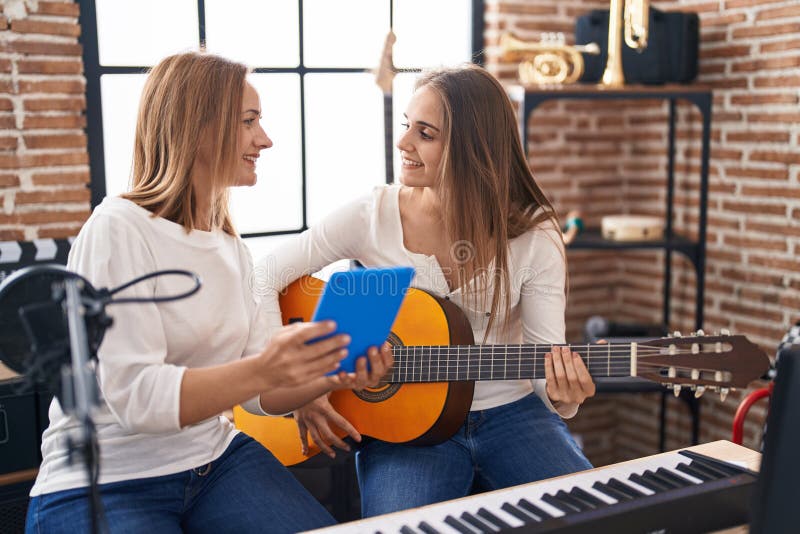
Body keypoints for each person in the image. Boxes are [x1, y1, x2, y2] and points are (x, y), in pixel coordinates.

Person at [25, 50, 392, 533]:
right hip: (109, 478)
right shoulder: (118, 227)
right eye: (248, 122)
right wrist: (264, 367)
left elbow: (264, 395)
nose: (265, 140)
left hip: (215, 460)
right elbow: (138, 400)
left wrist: (336, 377)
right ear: (198, 125)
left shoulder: (231, 249)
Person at [256, 63, 596, 518]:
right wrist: (298, 388)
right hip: (406, 431)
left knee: (599, 517)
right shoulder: (370, 215)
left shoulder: (534, 235)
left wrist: (562, 394)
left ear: (473, 148)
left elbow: (543, 361)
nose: (403, 143)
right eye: (406, 126)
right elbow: (262, 278)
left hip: (513, 415)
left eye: (425, 133)